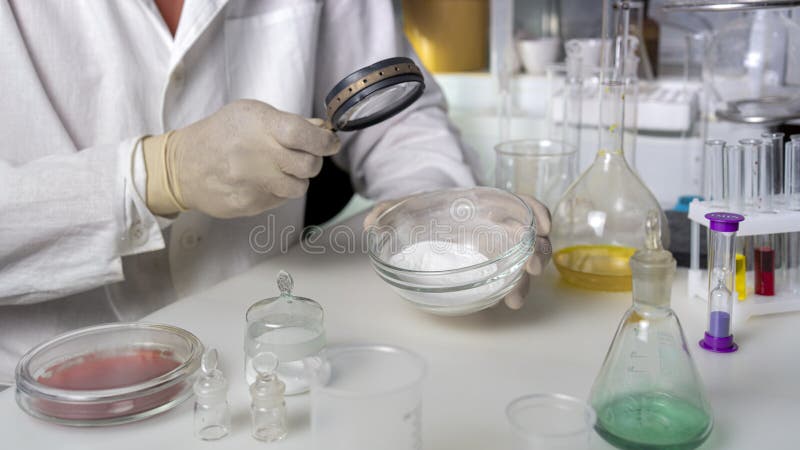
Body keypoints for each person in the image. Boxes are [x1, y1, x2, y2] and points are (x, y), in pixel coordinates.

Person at [0, 0, 550, 384]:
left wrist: (439, 217)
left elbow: (393, 117)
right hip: (42, 382)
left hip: (270, 355)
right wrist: (158, 174)